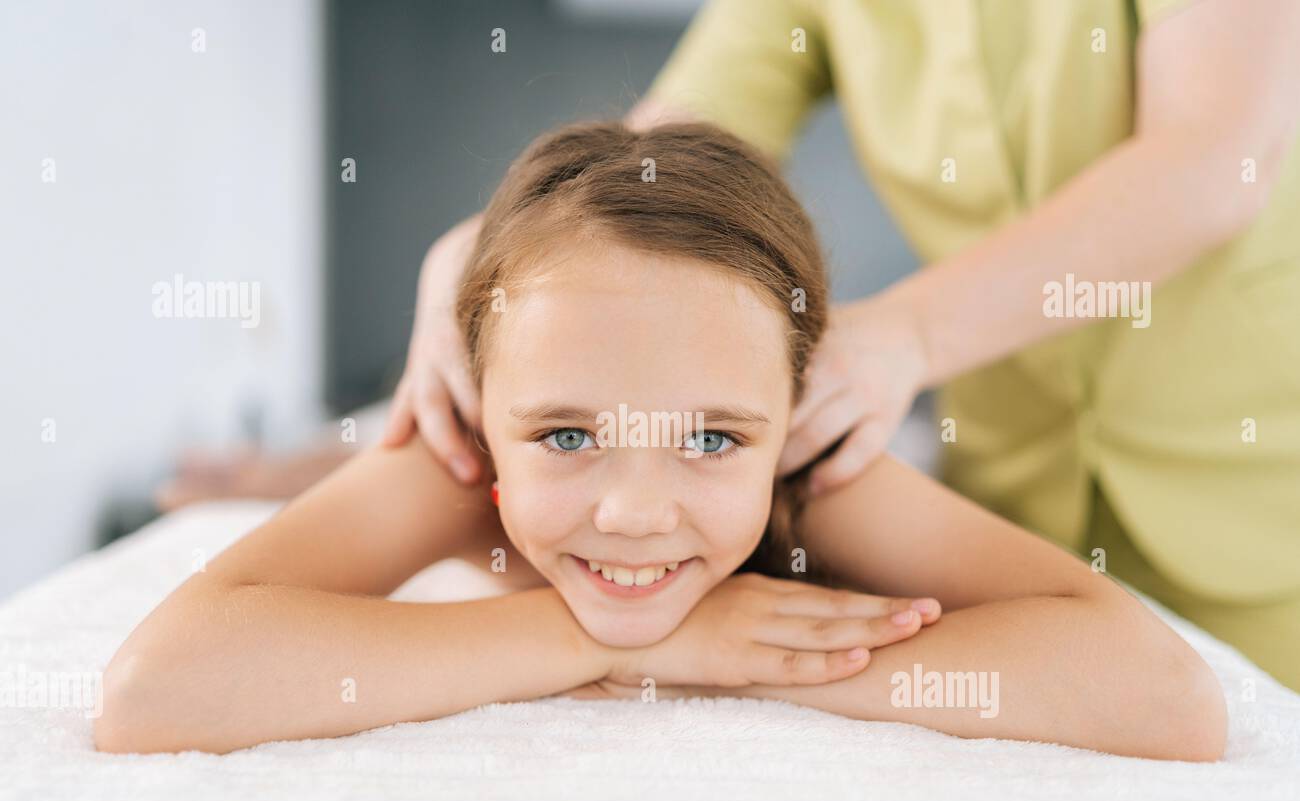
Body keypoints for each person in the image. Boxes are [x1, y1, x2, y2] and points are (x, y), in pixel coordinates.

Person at [98, 121, 1225, 760]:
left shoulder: (808, 476)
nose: (635, 509)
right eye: (571, 432)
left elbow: (1163, 696)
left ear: (791, 412)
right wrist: (640, 643)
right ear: (482, 409)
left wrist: (731, 644)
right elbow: (157, 688)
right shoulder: (460, 468)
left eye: (712, 440)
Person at [379, 0, 1300, 691]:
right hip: (1018, 469)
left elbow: (1213, 163)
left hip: (1253, 467)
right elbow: (665, 158)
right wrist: (480, 251)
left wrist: (910, 331)